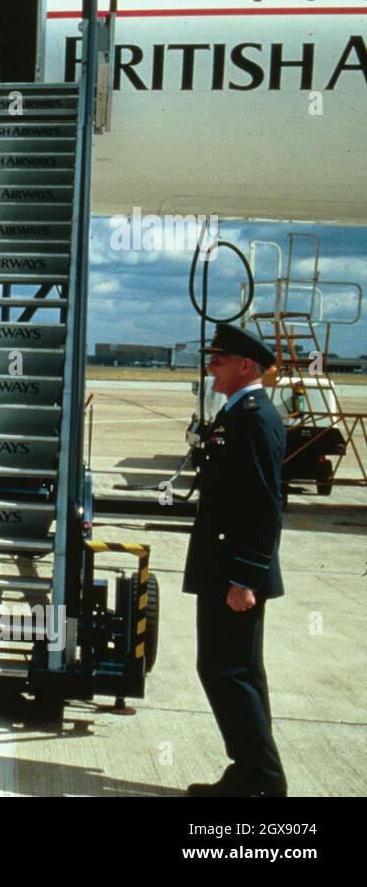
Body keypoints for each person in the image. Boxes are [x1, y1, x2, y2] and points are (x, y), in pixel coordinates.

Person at [184, 323, 287, 797]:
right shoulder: (235, 414)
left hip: (234, 571)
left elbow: (265, 506)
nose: (211, 366)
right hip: (223, 567)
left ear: (245, 366)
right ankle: (253, 773)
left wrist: (245, 577)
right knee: (237, 671)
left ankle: (259, 777)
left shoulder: (255, 418)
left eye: (219, 360)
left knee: (227, 671)